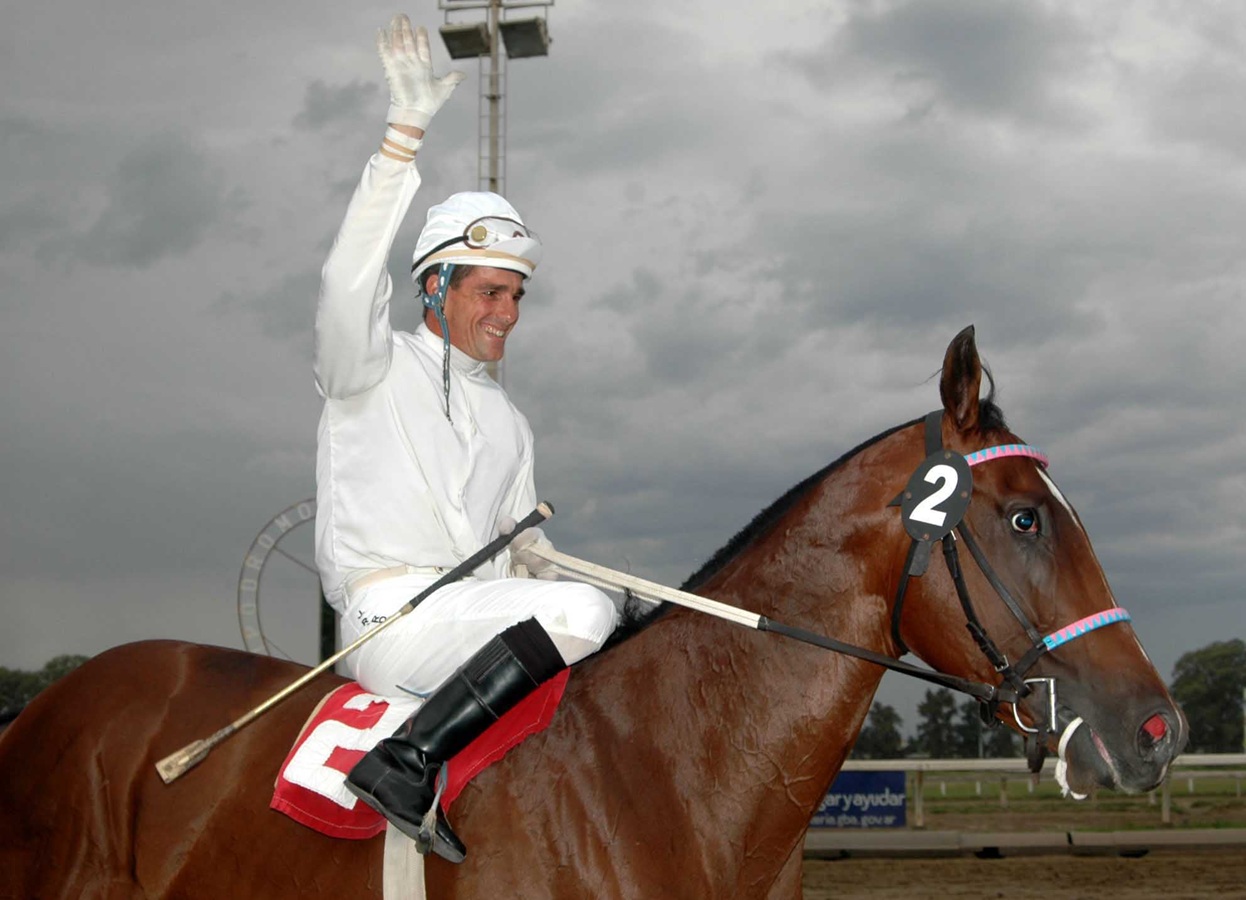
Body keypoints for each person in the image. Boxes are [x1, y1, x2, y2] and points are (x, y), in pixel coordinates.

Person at [312, 14, 619, 864]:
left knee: (610, 610)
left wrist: (587, 575)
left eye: (518, 295)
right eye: (489, 291)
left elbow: (525, 553)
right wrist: (402, 138)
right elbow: (344, 284)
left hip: (472, 624)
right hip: (389, 620)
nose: (508, 314)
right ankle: (405, 764)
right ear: (436, 284)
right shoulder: (366, 367)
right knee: (585, 613)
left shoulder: (510, 423)